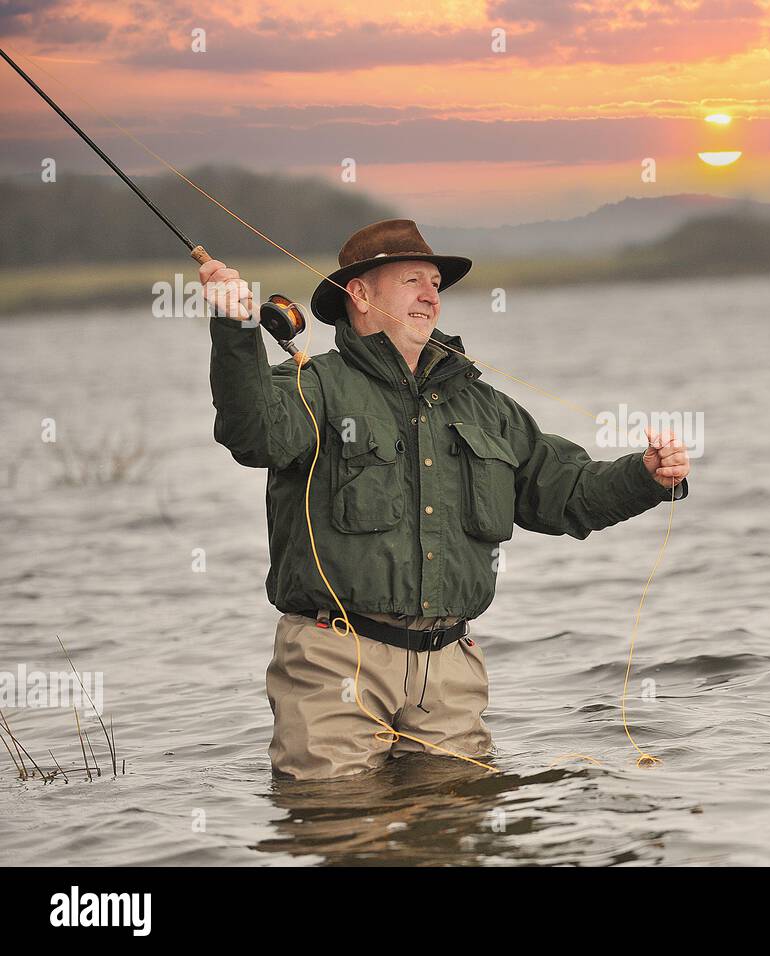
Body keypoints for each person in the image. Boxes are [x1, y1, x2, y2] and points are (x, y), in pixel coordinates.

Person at [200, 218, 690, 780]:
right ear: (359, 294)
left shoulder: (483, 406)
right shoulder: (313, 385)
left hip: (451, 668)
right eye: (412, 280)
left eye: (436, 282)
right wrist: (233, 329)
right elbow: (253, 434)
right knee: (336, 825)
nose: (431, 294)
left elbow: (568, 494)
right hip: (334, 658)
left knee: (454, 829)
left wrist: (648, 476)